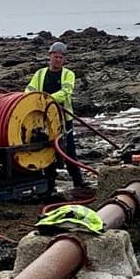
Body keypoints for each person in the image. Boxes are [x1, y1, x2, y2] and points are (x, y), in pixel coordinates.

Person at [26, 41, 84, 188]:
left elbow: (66, 93)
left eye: (60, 57)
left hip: (63, 119)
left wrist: (48, 99)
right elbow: (29, 90)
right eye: (55, 56)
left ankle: (78, 181)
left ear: (64, 59)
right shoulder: (39, 74)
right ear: (50, 56)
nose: (58, 60)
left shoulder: (68, 74)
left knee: (68, 150)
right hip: (44, 119)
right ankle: (50, 183)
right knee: (46, 148)